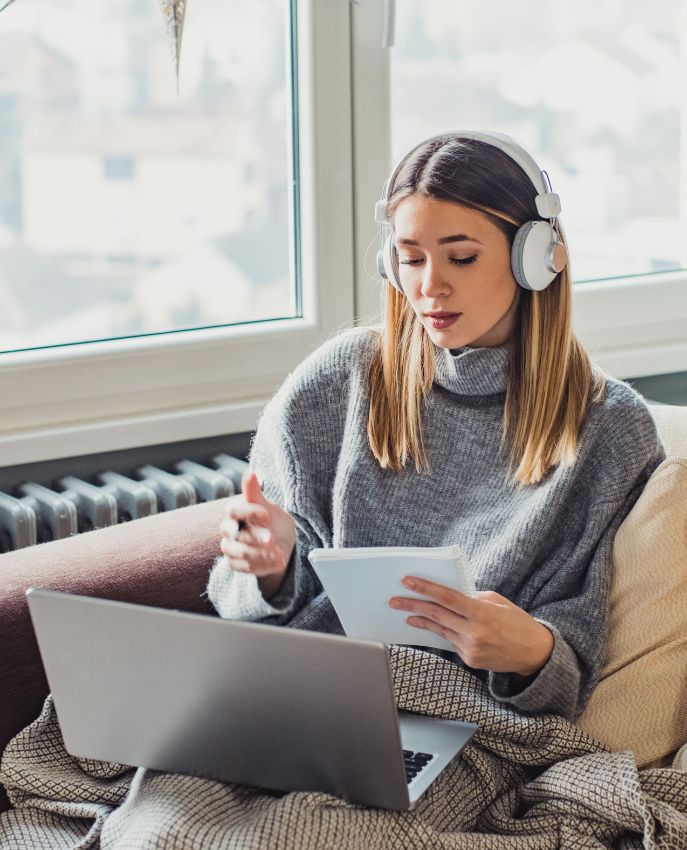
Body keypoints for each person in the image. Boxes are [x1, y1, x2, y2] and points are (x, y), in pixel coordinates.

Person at [207, 131, 666, 722]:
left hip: (461, 724)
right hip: (295, 693)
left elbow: (567, 681)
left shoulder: (608, 431)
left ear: (536, 258)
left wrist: (530, 651)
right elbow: (237, 600)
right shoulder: (338, 381)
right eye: (411, 257)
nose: (429, 286)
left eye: (462, 257)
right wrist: (269, 571)